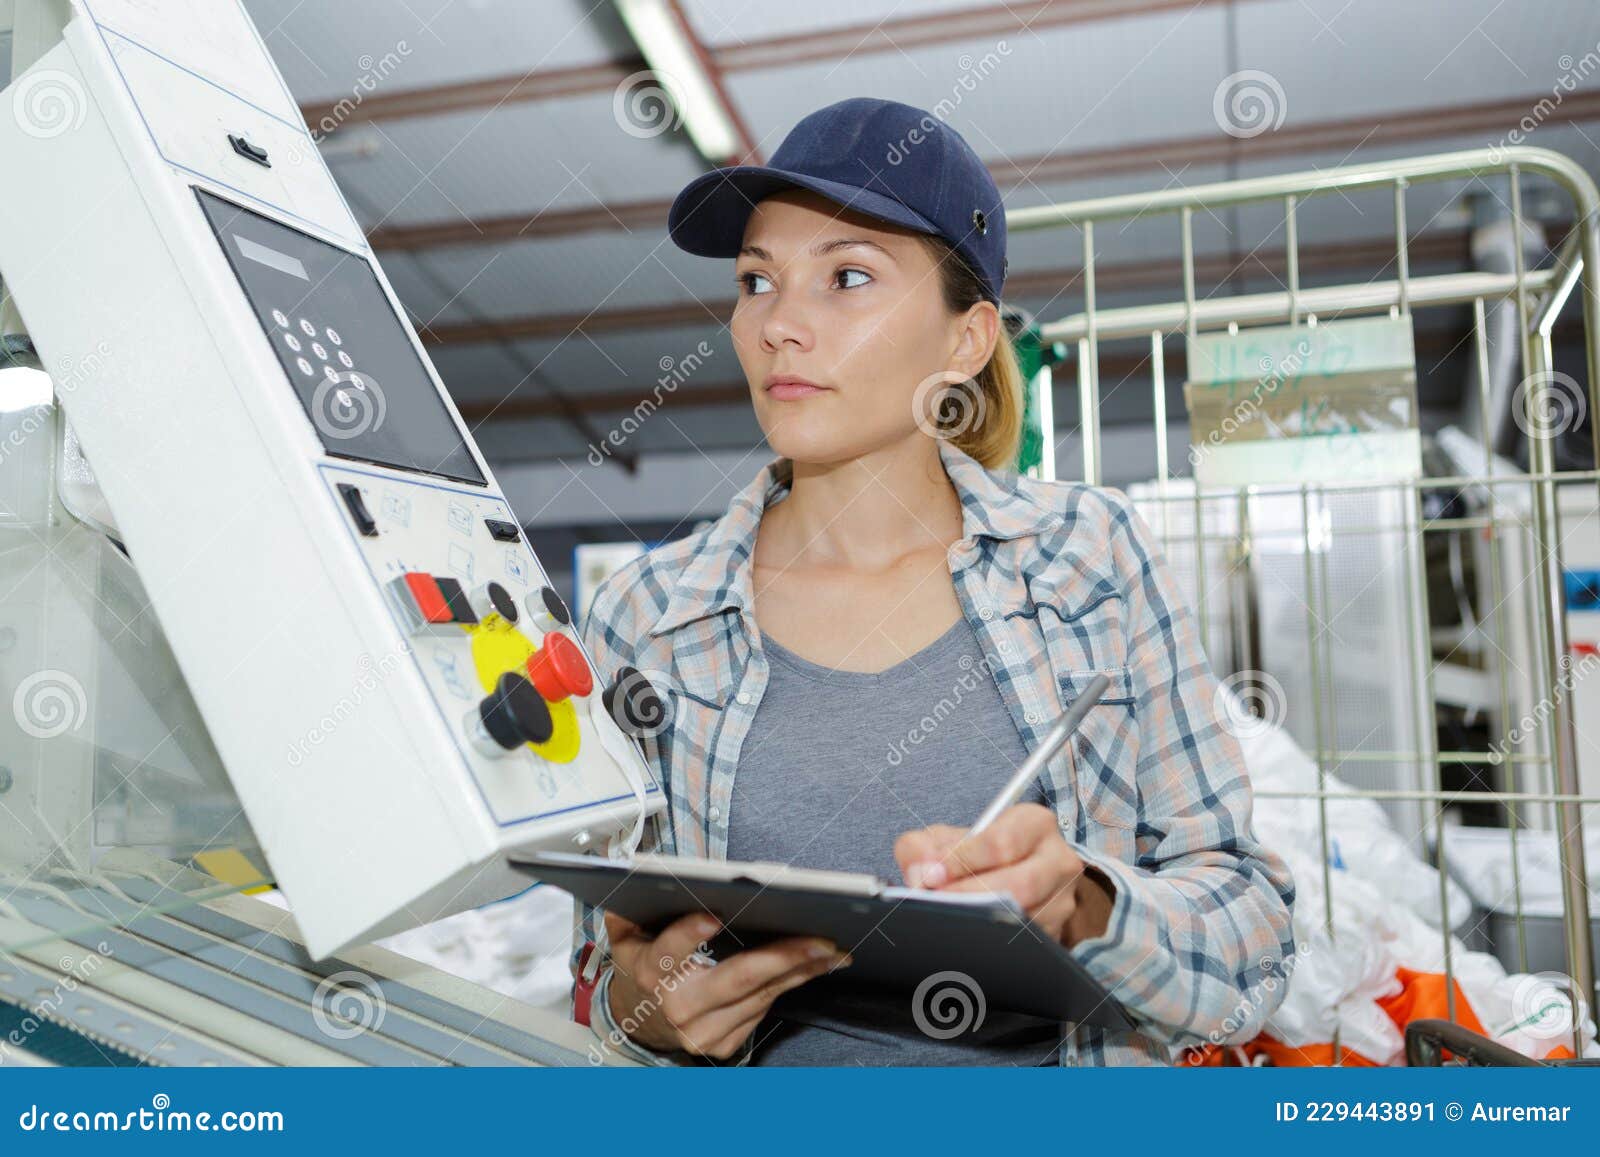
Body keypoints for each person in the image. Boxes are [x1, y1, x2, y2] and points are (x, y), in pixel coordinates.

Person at [570, 97, 1295, 1066]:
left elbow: (1251, 939)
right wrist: (639, 1008)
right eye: (755, 280)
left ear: (965, 339)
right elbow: (599, 959)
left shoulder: (1088, 561)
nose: (779, 323)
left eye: (848, 276)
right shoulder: (644, 614)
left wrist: (1083, 902)